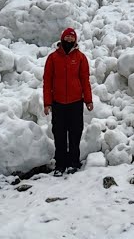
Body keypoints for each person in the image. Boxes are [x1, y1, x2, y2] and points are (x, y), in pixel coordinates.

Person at [42, 27, 93, 176]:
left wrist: (88, 100)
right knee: (59, 134)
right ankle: (60, 164)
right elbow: (47, 81)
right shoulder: (53, 58)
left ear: (75, 40)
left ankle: (73, 162)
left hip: (76, 102)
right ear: (62, 38)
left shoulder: (80, 57)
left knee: (75, 133)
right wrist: (47, 103)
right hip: (58, 103)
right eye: (67, 37)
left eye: (72, 37)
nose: (69, 39)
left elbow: (85, 80)